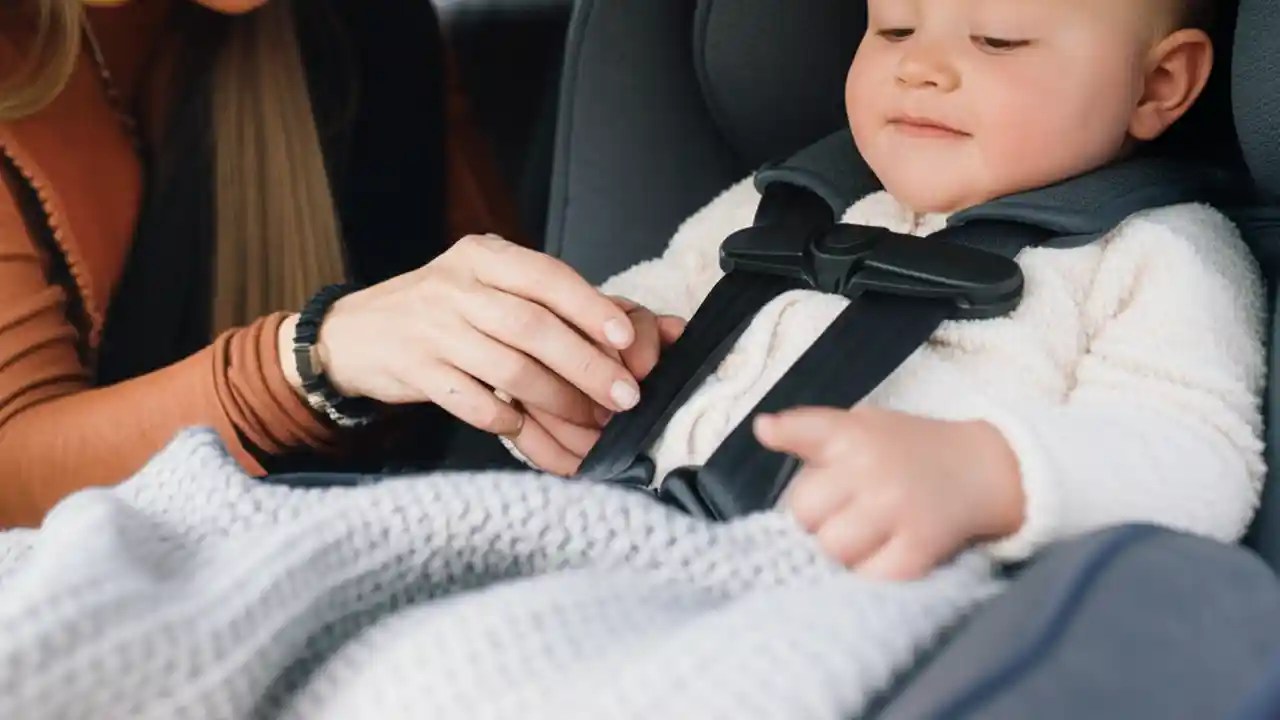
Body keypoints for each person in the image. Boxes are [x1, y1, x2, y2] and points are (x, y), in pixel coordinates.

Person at [503, 0, 1267, 579]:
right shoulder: (782, 207)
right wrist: (599, 351)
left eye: (998, 39)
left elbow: (1199, 459)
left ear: (1159, 84)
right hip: (619, 549)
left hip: (882, 601)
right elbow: (646, 300)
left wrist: (987, 476)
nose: (920, 67)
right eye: (895, 28)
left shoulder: (1158, 252)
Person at [0, 0, 675, 527]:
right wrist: (317, 357)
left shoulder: (362, 32)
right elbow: (13, 486)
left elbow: (481, 315)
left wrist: (564, 355)